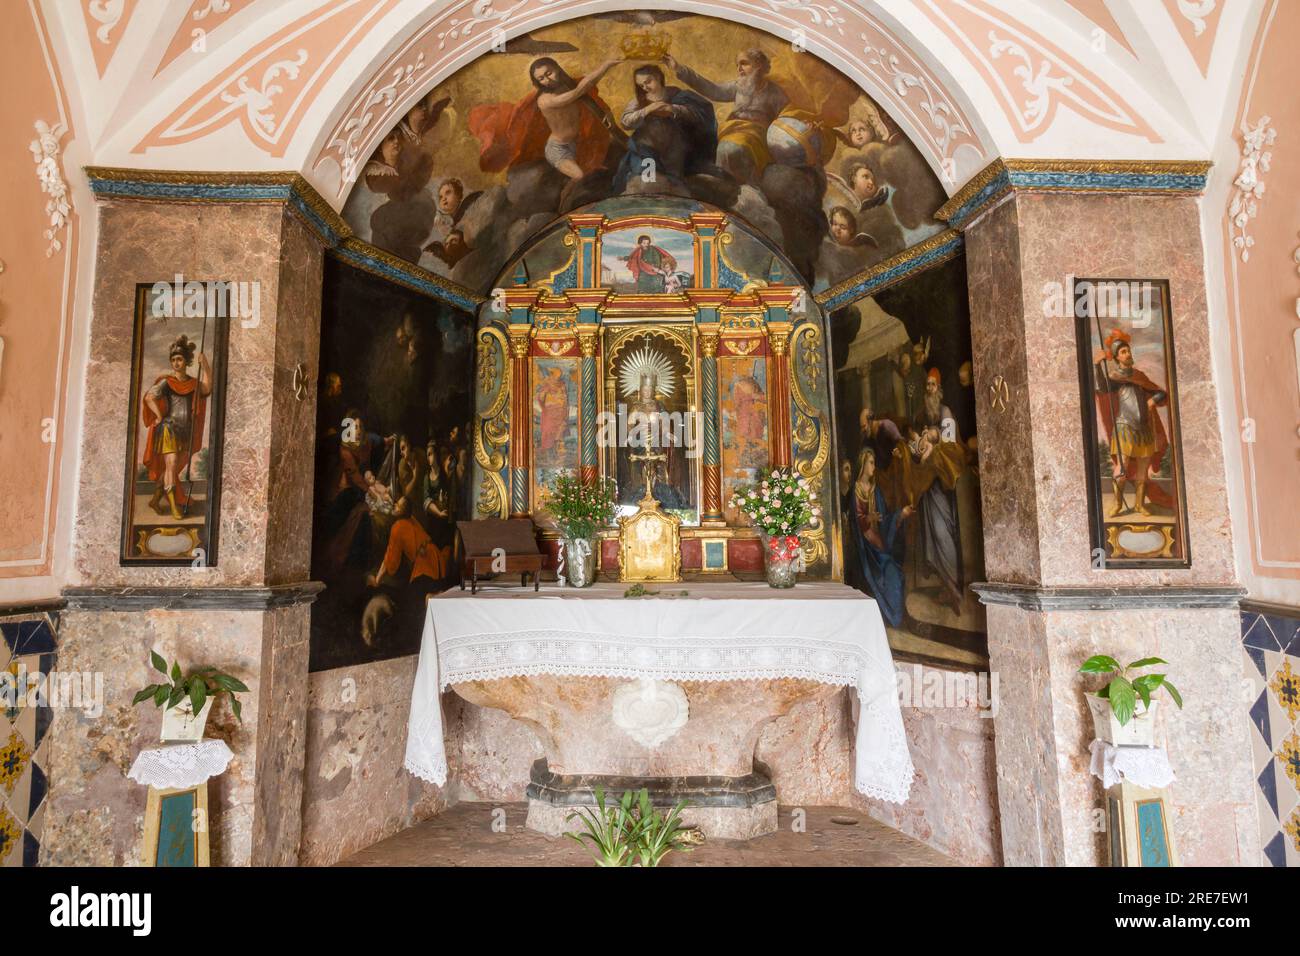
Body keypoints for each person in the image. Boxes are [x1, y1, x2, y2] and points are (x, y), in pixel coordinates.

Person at [662, 48, 789, 184]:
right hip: (733, 129)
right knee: (717, 146)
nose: (739, 68)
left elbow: (787, 115)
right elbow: (712, 90)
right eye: (737, 65)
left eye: (744, 63)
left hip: (757, 134)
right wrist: (679, 69)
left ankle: (745, 187)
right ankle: (724, 186)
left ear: (758, 65)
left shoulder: (774, 91)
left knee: (732, 148)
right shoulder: (738, 87)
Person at [1094, 327, 1171, 517]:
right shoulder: (1114, 377)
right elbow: (1103, 388)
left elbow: (1159, 392)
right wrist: (1097, 365)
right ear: (1117, 357)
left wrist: (1153, 400)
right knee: (1121, 468)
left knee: (1143, 471)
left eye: (1128, 350)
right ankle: (1117, 504)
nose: (1128, 354)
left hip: (1144, 428)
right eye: (1123, 351)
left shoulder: (1139, 376)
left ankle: (1139, 505)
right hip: (1124, 428)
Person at [614, 64, 718, 192]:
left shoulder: (677, 94)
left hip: (674, 148)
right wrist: (647, 110)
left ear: (658, 77)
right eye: (641, 85)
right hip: (646, 148)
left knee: (673, 184)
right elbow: (626, 122)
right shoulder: (639, 100)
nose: (645, 87)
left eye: (648, 82)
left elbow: (698, 113)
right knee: (647, 182)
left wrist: (674, 110)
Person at [142, 335, 212, 520]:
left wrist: (205, 366)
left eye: (179, 359)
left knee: (172, 469)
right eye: (173, 360)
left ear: (186, 361)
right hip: (169, 429)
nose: (176, 363)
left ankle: (155, 500)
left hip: (185, 431)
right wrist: (158, 415)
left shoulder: (192, 383)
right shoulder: (167, 382)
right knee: (171, 465)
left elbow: (206, 389)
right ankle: (174, 506)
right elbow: (149, 397)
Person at [851, 448, 914, 628]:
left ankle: (895, 616)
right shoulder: (855, 490)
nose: (874, 466)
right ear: (863, 465)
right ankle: (890, 617)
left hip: (880, 544)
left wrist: (900, 514)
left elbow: (885, 520)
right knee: (887, 574)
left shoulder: (875, 491)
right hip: (866, 548)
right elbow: (854, 522)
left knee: (896, 574)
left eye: (874, 462)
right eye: (871, 462)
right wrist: (867, 519)